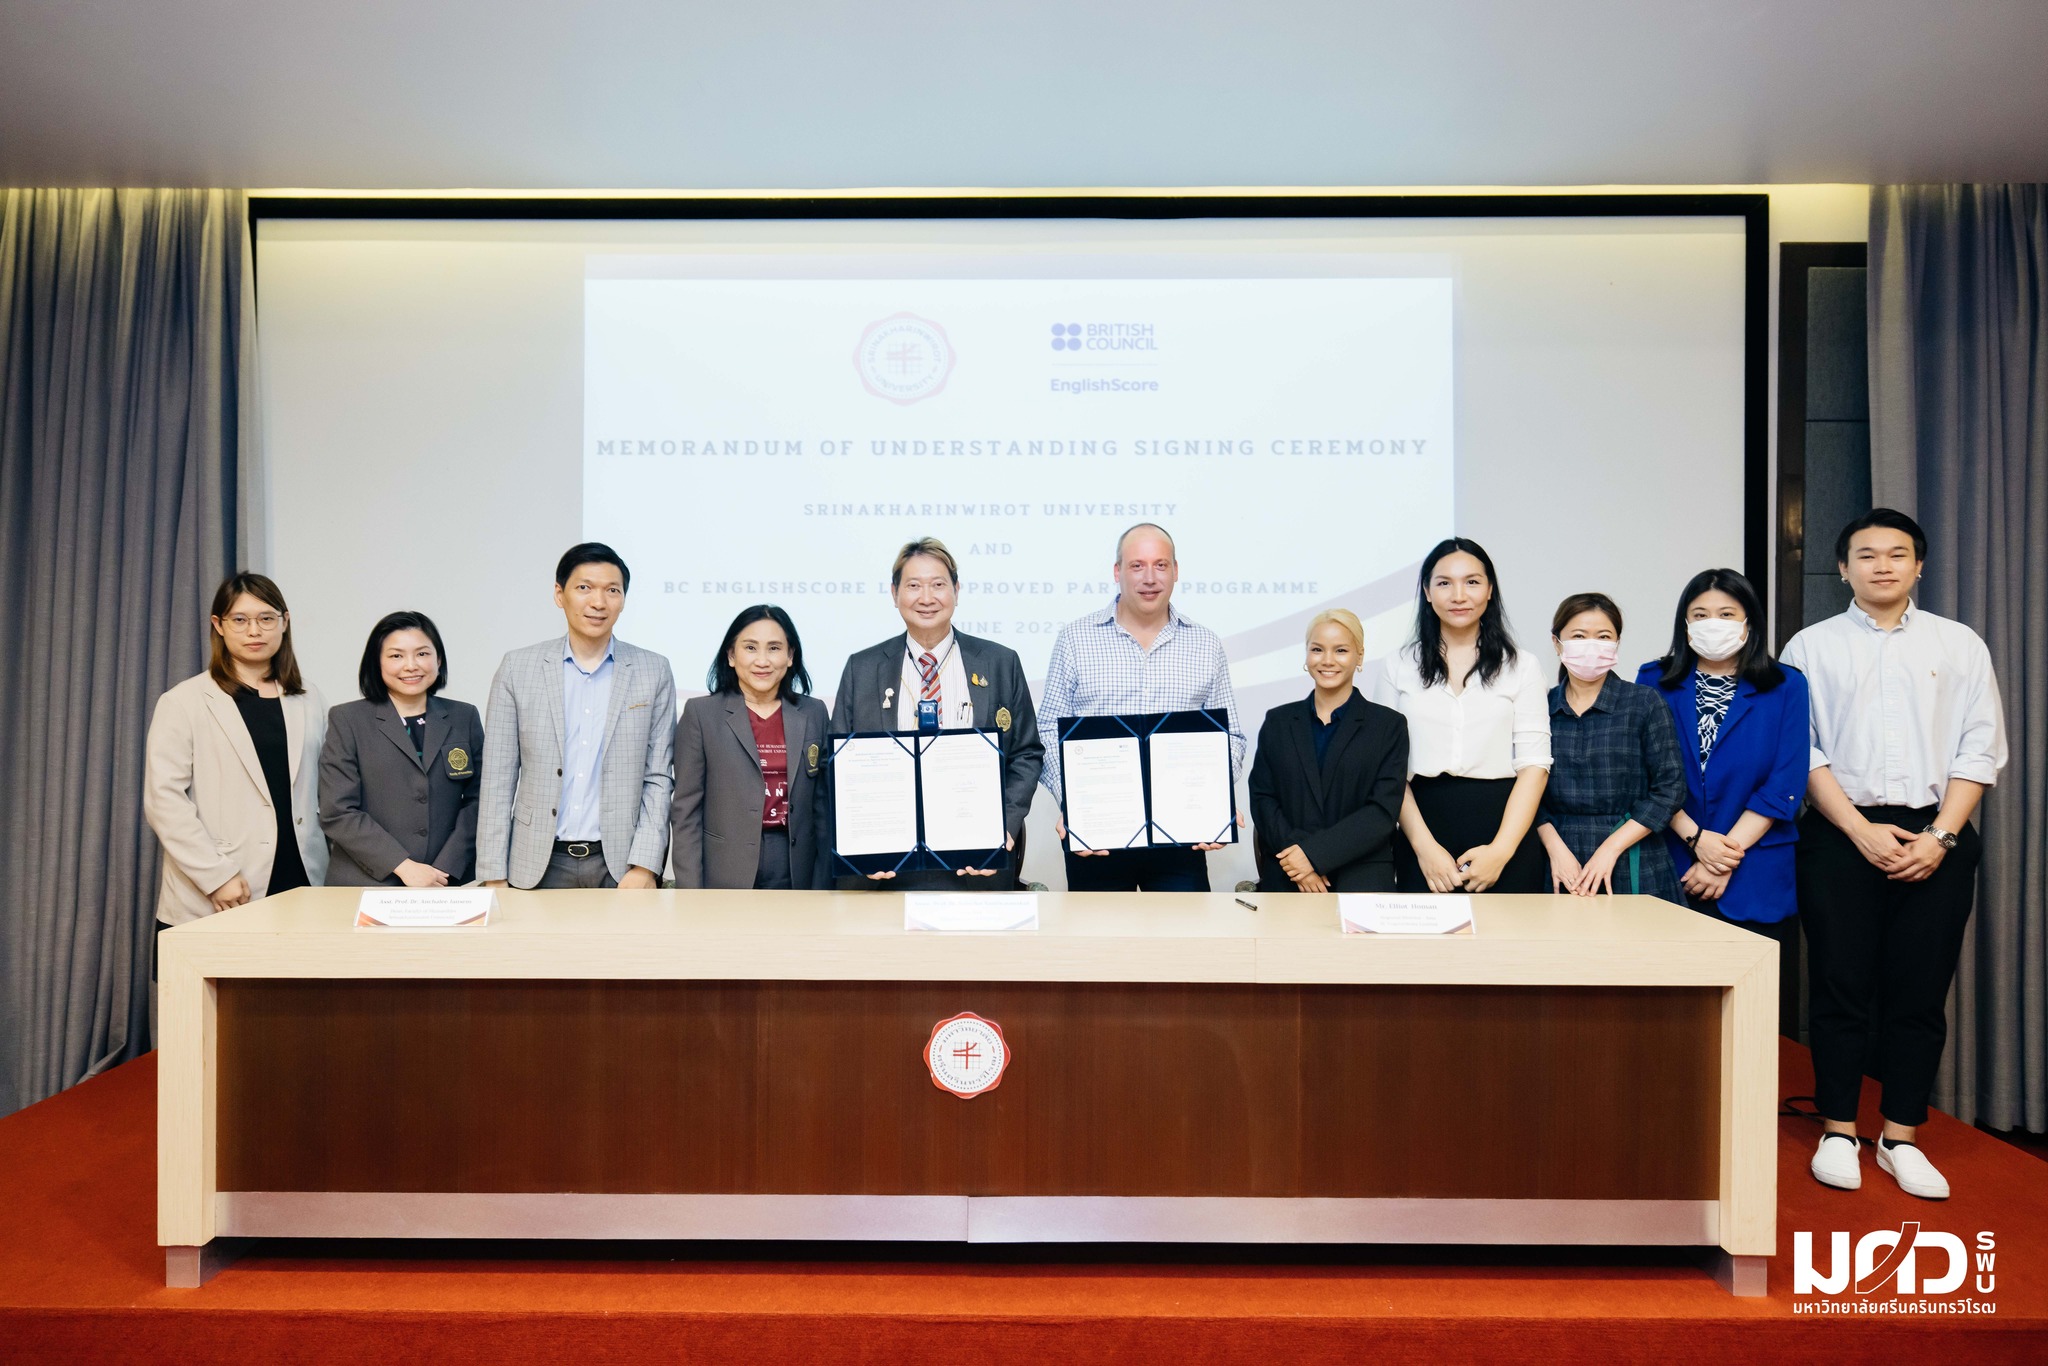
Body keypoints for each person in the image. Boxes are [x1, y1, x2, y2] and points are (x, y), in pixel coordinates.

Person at [1783, 509, 2007, 1201]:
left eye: (1897, 554)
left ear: (1920, 566)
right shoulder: (1809, 647)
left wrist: (1941, 837)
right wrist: (1857, 829)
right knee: (1839, 988)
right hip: (1839, 833)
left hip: (1935, 835)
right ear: (1842, 567)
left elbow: (1981, 745)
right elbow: (1804, 749)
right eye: (1866, 554)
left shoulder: (1959, 643)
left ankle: (1901, 1134)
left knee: (1919, 994)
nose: (1882, 565)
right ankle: (1840, 1130)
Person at [1634, 569, 1808, 1026]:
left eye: (1726, 613)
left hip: (1755, 868)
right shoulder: (1653, 680)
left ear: (1749, 622)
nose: (1714, 622)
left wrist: (1722, 856)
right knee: (1667, 1016)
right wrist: (1697, 842)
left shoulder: (1787, 685)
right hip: (1672, 863)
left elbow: (1785, 781)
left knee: (1748, 1018)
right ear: (1684, 624)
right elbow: (1647, 772)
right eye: (1701, 614)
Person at [1038, 523, 1245, 892]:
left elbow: (1232, 738)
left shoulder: (1206, 644)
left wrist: (1215, 800)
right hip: (1097, 836)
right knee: (1100, 947)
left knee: (1182, 947)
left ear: (1176, 571)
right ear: (1117, 572)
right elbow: (1048, 731)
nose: (1149, 578)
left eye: (1161, 565)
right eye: (1137, 566)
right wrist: (1074, 803)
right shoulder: (1074, 639)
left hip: (1181, 839)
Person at [830, 538, 1043, 888]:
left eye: (938, 585)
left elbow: (1026, 753)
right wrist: (857, 845)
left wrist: (1003, 824)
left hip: (977, 862)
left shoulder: (1000, 662)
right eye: (913, 586)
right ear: (894, 593)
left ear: (956, 591)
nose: (926, 598)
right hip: (886, 868)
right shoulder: (862, 668)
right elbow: (837, 764)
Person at [477, 543, 676, 890]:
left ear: (623, 599)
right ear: (559, 593)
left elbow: (658, 776)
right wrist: (493, 873)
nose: (598, 602)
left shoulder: (653, 670)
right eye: (584, 588)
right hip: (535, 863)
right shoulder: (517, 667)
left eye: (612, 591)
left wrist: (644, 865)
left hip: (619, 865)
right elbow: (497, 778)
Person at [144, 572, 328, 924]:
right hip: (223, 887)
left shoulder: (310, 697)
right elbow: (163, 799)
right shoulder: (184, 701)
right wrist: (216, 876)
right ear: (219, 625)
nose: (254, 631)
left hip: (301, 878)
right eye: (240, 620)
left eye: (266, 619)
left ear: (284, 622)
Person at [1371, 538, 1550, 894]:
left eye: (1472, 581)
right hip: (1421, 827)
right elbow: (1388, 770)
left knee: (1506, 947)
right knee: (1426, 949)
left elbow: (1534, 766)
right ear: (1426, 591)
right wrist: (1424, 849)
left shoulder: (1522, 666)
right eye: (1444, 583)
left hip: (1504, 828)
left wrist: (1501, 851)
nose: (1458, 595)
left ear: (1489, 590)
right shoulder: (1398, 665)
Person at [1534, 593, 1687, 902]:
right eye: (1579, 636)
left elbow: (1670, 788)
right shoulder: (1539, 706)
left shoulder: (1644, 702)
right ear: (1556, 642)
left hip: (1633, 852)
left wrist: (1611, 848)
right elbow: (1525, 788)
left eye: (1603, 636)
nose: (1592, 645)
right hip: (1558, 858)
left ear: (1616, 643)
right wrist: (1554, 847)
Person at [319, 611, 485, 887]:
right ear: (377, 662)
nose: (411, 665)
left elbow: (481, 799)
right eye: (396, 656)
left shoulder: (463, 717)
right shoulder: (348, 719)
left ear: (438, 659)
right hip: (368, 882)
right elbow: (337, 810)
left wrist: (444, 868)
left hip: (448, 881)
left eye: (422, 654)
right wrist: (404, 867)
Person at [1247, 609, 1408, 893]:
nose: (1328, 660)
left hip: (1362, 876)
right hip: (1288, 873)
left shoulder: (1388, 726)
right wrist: (1298, 860)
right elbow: (1263, 798)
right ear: (1307, 656)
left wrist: (1314, 856)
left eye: (1341, 650)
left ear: (1359, 656)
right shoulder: (1278, 722)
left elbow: (1382, 812)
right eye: (1317, 649)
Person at [672, 605, 832, 890]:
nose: (762, 660)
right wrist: (690, 892)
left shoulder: (813, 712)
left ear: (790, 656)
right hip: (726, 869)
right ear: (731, 656)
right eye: (750, 648)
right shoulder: (701, 714)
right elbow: (686, 812)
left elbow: (822, 807)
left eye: (774, 648)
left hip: (797, 867)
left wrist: (823, 882)